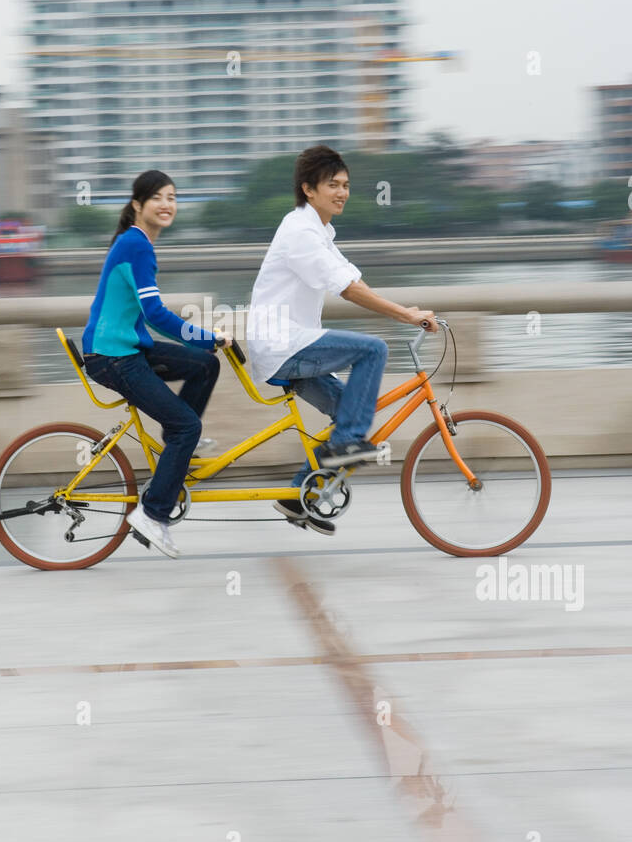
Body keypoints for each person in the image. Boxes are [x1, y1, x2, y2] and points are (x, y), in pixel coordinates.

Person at [247, 145, 438, 537]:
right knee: (374, 350)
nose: (342, 192)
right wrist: (406, 316)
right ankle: (347, 444)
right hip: (284, 346)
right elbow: (348, 291)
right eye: (332, 184)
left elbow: (352, 279)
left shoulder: (319, 231)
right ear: (309, 189)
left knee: (349, 418)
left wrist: (406, 309)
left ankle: (297, 494)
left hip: (292, 347)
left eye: (346, 185)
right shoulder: (300, 232)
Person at [82, 170, 229, 559]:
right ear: (137, 205)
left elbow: (147, 318)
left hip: (127, 348)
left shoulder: (137, 242)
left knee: (204, 365)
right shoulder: (137, 246)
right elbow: (155, 314)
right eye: (158, 198)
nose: (167, 205)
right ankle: (152, 515)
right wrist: (206, 336)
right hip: (113, 357)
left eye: (173, 197)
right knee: (188, 425)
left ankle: (176, 445)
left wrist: (205, 347)